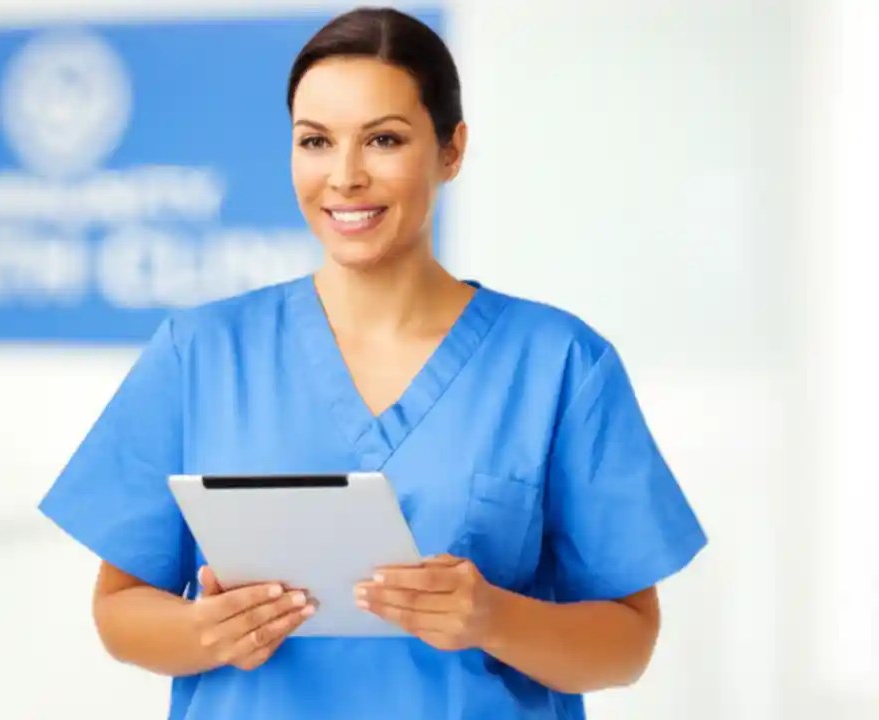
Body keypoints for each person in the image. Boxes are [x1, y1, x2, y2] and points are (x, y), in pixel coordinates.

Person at [38, 7, 707, 719]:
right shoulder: (202, 352)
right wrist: (207, 631)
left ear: (451, 150)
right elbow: (120, 610)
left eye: (384, 140)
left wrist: (493, 618)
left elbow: (628, 643)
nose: (345, 176)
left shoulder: (557, 363)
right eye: (315, 141)